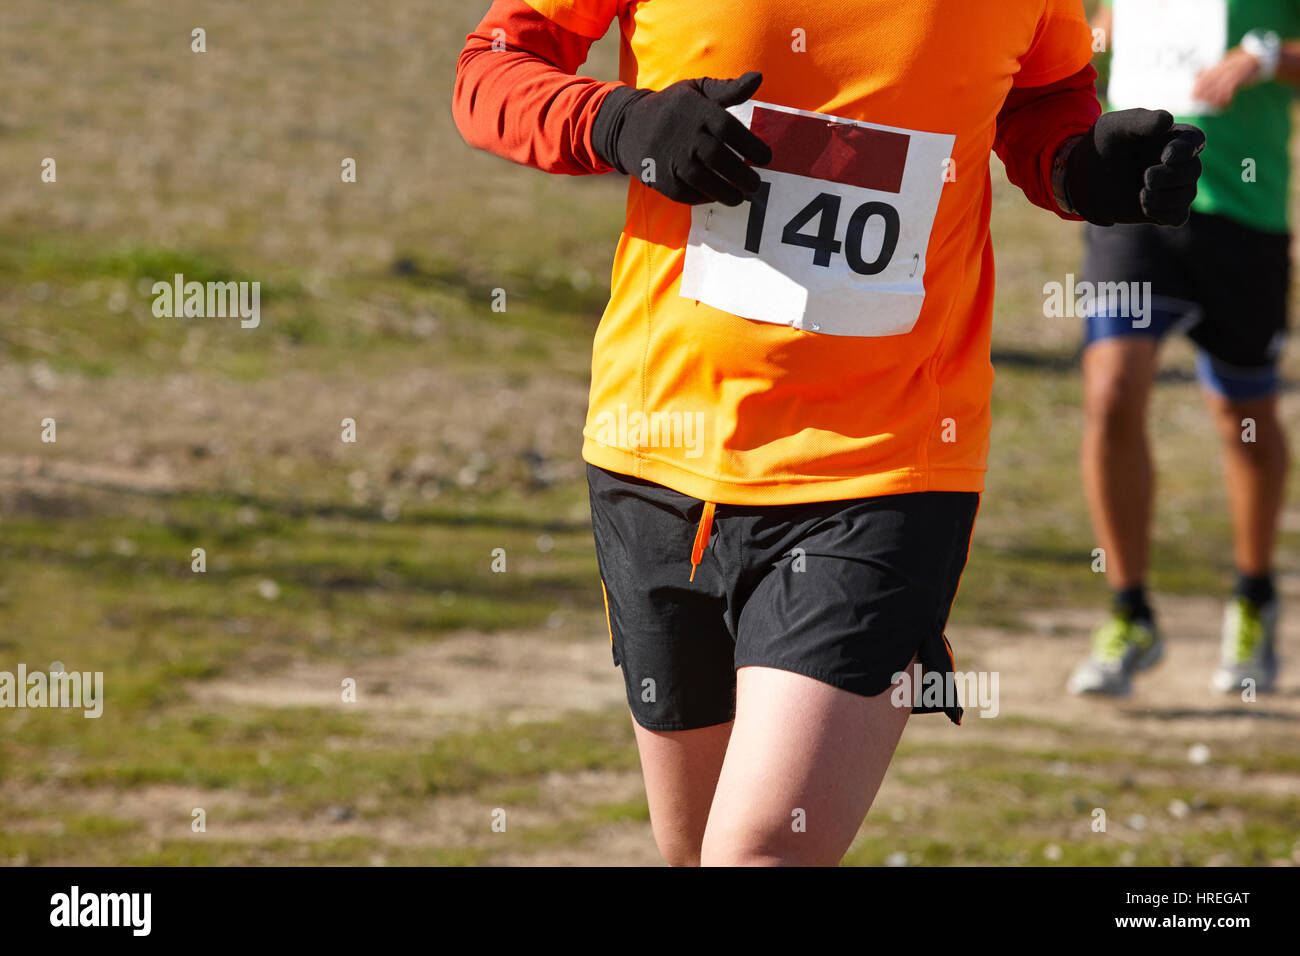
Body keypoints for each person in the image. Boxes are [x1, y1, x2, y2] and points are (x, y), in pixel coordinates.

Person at [453, 0, 1203, 866]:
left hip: (884, 464)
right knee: (695, 852)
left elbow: (1041, 96)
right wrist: (621, 121)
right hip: (658, 450)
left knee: (761, 851)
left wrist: (1079, 167)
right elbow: (490, 70)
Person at [1069, 0, 1299, 698]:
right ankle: (1129, 612)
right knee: (1110, 392)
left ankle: (1254, 595)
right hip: (1134, 207)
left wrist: (1268, 60)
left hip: (1242, 214)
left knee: (1244, 417)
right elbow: (1090, 40)